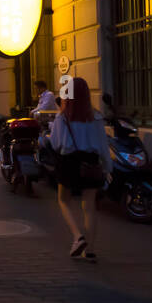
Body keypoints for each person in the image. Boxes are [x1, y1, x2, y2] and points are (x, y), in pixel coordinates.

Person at [49, 77, 113, 263]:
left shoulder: (62, 117)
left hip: (69, 161)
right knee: (90, 206)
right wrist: (108, 167)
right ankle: (91, 250)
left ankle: (77, 236)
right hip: (91, 162)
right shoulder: (96, 117)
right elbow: (103, 145)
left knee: (63, 200)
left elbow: (55, 143)